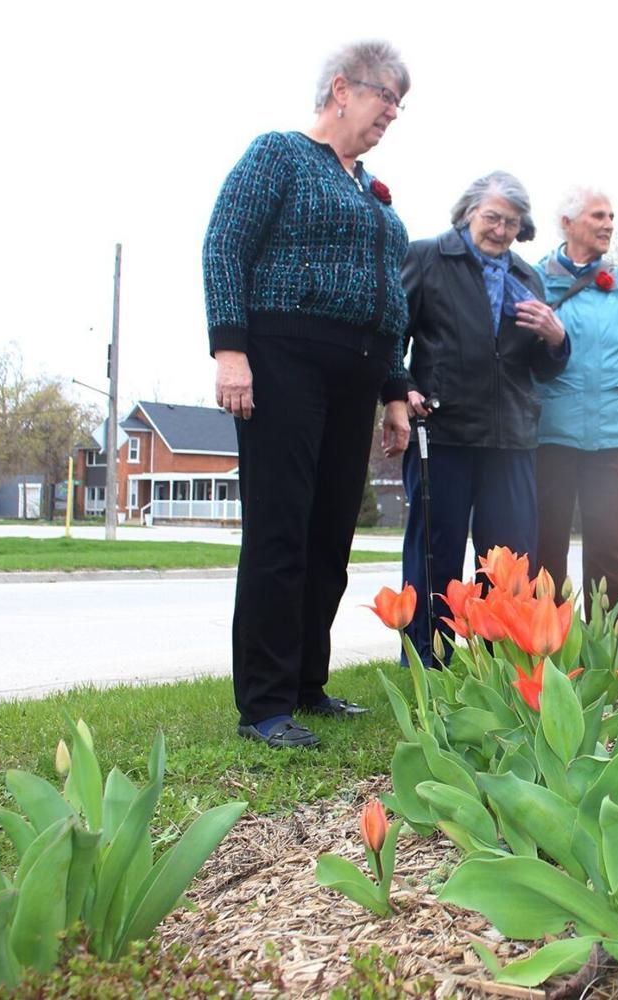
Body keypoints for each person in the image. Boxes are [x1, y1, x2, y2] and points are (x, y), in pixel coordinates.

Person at [202, 40, 413, 749]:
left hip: (358, 373)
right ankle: (264, 704)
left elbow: (389, 299)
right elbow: (225, 245)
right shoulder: (280, 155)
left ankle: (305, 687)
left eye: (400, 103)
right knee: (280, 532)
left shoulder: (370, 188)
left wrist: (394, 391)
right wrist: (231, 351)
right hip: (284, 361)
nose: (393, 111)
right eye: (387, 95)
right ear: (342, 89)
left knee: (329, 538)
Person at [398, 171, 569, 658]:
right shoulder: (427, 258)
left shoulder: (527, 277)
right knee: (435, 553)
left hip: (511, 439)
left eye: (511, 223)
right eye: (492, 217)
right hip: (442, 430)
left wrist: (556, 339)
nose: (500, 230)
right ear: (469, 212)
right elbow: (393, 333)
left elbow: (543, 368)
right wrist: (403, 388)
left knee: (509, 561)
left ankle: (504, 667)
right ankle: (428, 661)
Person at [534, 187, 618, 623]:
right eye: (598, 216)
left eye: (611, 216)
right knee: (544, 547)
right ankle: (546, 648)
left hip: (616, 437)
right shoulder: (533, 278)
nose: (609, 224)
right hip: (550, 434)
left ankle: (613, 650)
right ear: (568, 224)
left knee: (611, 549)